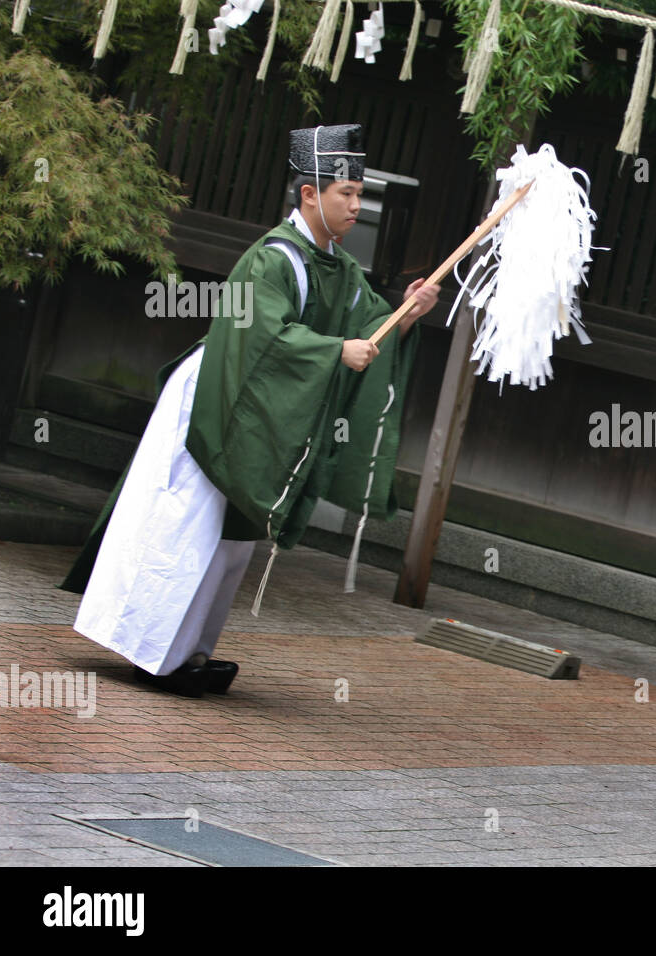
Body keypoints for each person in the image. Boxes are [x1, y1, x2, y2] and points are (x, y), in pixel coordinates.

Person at [60, 124, 439, 698]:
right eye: (348, 194)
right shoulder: (274, 258)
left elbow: (367, 326)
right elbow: (263, 335)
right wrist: (335, 351)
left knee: (231, 537)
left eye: (361, 195)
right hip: (218, 398)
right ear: (309, 193)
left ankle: (189, 653)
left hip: (257, 407)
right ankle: (148, 649)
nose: (357, 207)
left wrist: (407, 314)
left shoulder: (340, 268)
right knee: (186, 526)